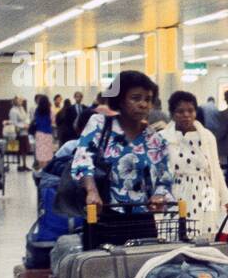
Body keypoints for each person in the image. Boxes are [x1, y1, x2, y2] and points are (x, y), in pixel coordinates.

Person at [71, 71, 173, 244]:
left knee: (141, 267)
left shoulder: (155, 139)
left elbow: (165, 179)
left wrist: (160, 196)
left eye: (148, 99)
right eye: (136, 98)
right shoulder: (100, 124)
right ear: (120, 99)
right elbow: (83, 159)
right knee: (103, 268)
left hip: (143, 221)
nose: (143, 104)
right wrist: (91, 190)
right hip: (104, 216)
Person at [158, 91, 228, 239]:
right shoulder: (163, 138)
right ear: (172, 114)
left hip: (206, 191)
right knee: (174, 236)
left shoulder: (207, 137)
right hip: (176, 192)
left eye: (190, 110)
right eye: (180, 111)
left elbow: (215, 169)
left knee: (206, 234)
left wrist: (227, 199)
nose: (186, 115)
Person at [30, 96, 56, 169]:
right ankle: (46, 171)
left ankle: (41, 170)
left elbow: (35, 121)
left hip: (39, 134)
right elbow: (53, 121)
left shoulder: (37, 111)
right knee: (47, 154)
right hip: (48, 134)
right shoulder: (50, 111)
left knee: (40, 154)